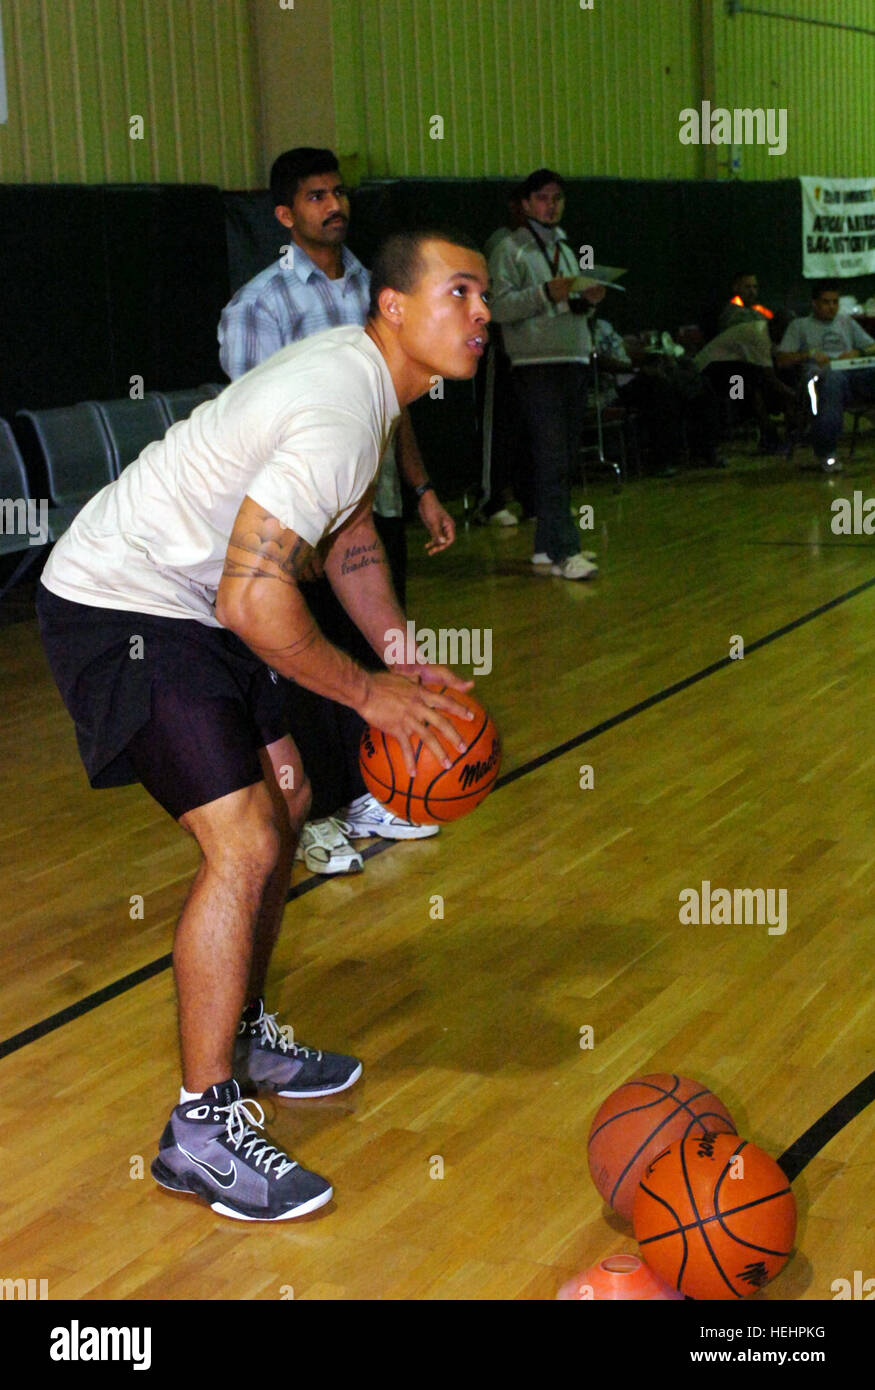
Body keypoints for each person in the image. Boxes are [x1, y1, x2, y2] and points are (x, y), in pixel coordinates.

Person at [36, 229, 490, 1221]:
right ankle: (198, 1129)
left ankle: (236, 1032)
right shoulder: (339, 407)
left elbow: (348, 535)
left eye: (484, 295)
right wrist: (369, 696)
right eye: (460, 292)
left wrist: (402, 657)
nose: (483, 313)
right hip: (124, 603)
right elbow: (255, 601)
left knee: (287, 801)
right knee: (241, 839)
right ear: (396, 311)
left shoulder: (362, 393)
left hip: (196, 604)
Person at [220, 148, 457, 874]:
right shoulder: (258, 305)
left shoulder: (377, 292)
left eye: (339, 191)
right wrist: (303, 528)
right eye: (315, 196)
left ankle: (367, 792)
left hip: (370, 502)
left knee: (372, 653)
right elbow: (254, 426)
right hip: (300, 518)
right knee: (301, 663)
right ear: (285, 215)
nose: (334, 204)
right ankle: (313, 812)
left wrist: (419, 488)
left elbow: (396, 402)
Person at [488, 168, 602, 580]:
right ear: (524, 203)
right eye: (542, 198)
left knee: (564, 457)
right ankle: (563, 550)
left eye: (557, 198)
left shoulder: (567, 246)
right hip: (536, 365)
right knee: (553, 458)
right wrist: (544, 293)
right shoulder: (510, 249)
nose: (550, 205)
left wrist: (586, 300)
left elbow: (564, 306)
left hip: (572, 357)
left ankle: (545, 549)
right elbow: (497, 308)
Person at [776, 280, 875, 471]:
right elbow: (782, 360)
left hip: (852, 374)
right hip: (821, 378)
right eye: (826, 302)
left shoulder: (846, 321)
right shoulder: (799, 325)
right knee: (833, 379)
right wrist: (809, 354)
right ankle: (827, 453)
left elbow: (872, 345)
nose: (831, 307)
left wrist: (859, 353)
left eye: (835, 302)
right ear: (814, 304)